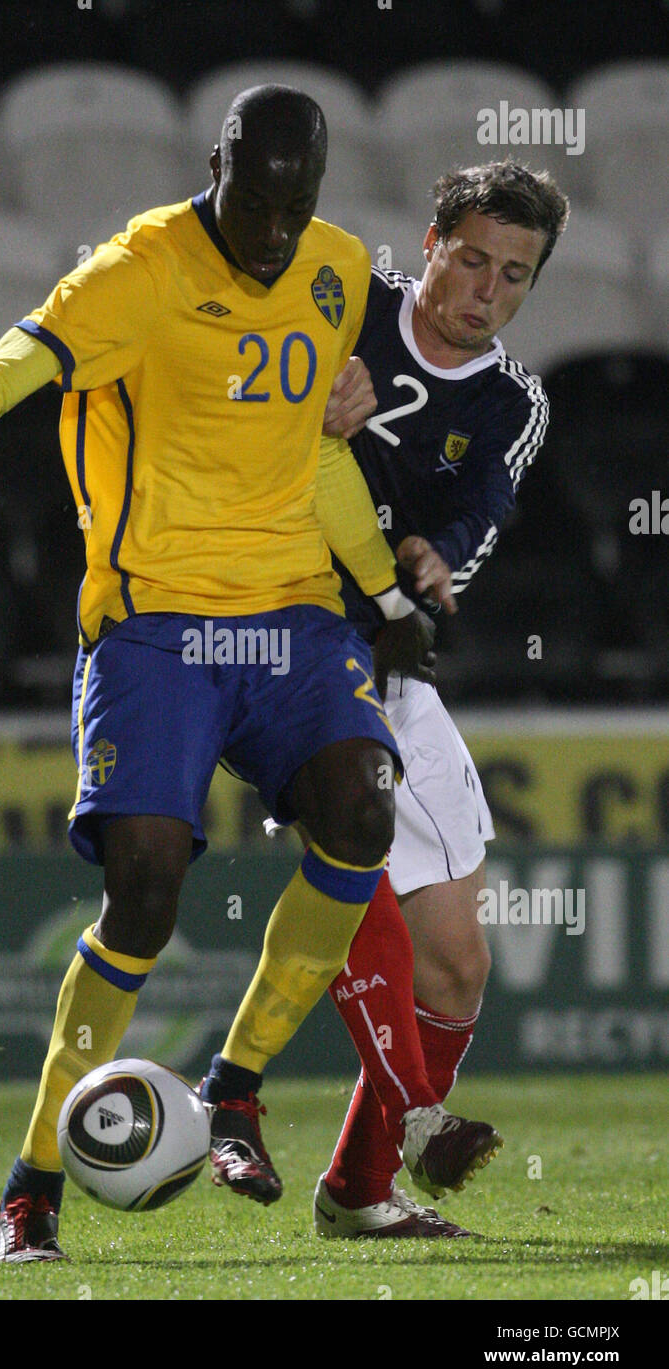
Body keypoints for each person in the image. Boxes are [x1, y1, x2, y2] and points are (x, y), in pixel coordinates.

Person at [0, 84, 438, 1264]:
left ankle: (233, 1087)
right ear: (216, 167)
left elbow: (318, 450)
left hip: (292, 611)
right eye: (258, 205)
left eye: (298, 212)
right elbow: (22, 354)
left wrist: (381, 592)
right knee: (144, 887)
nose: (276, 237)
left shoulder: (337, 269)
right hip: (153, 620)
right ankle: (32, 1180)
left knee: (361, 812)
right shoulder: (138, 269)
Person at [309, 161, 570, 1238]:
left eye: (512, 276)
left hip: (393, 660)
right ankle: (415, 1119)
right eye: (470, 259)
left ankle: (359, 1193)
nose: (484, 291)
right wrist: (299, 416)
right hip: (274, 639)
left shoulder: (512, 399)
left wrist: (437, 554)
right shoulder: (341, 309)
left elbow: (481, 509)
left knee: (458, 965)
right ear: (429, 241)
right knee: (349, 844)